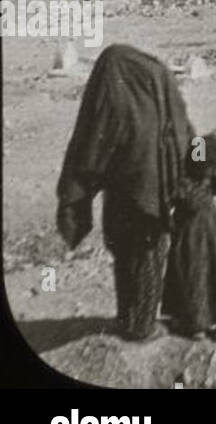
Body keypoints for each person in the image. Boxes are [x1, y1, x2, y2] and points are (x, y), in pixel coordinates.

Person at [56, 44, 193, 342]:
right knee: (148, 256)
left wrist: (78, 194)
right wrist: (208, 162)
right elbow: (189, 135)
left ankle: (130, 320)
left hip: (123, 198)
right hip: (153, 198)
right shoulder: (160, 90)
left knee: (126, 256)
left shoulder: (115, 103)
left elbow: (89, 148)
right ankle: (141, 325)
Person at [162, 132, 216, 340]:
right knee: (205, 277)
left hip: (201, 236)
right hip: (201, 235)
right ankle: (205, 321)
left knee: (197, 278)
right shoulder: (190, 185)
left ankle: (200, 322)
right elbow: (192, 201)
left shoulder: (191, 182)